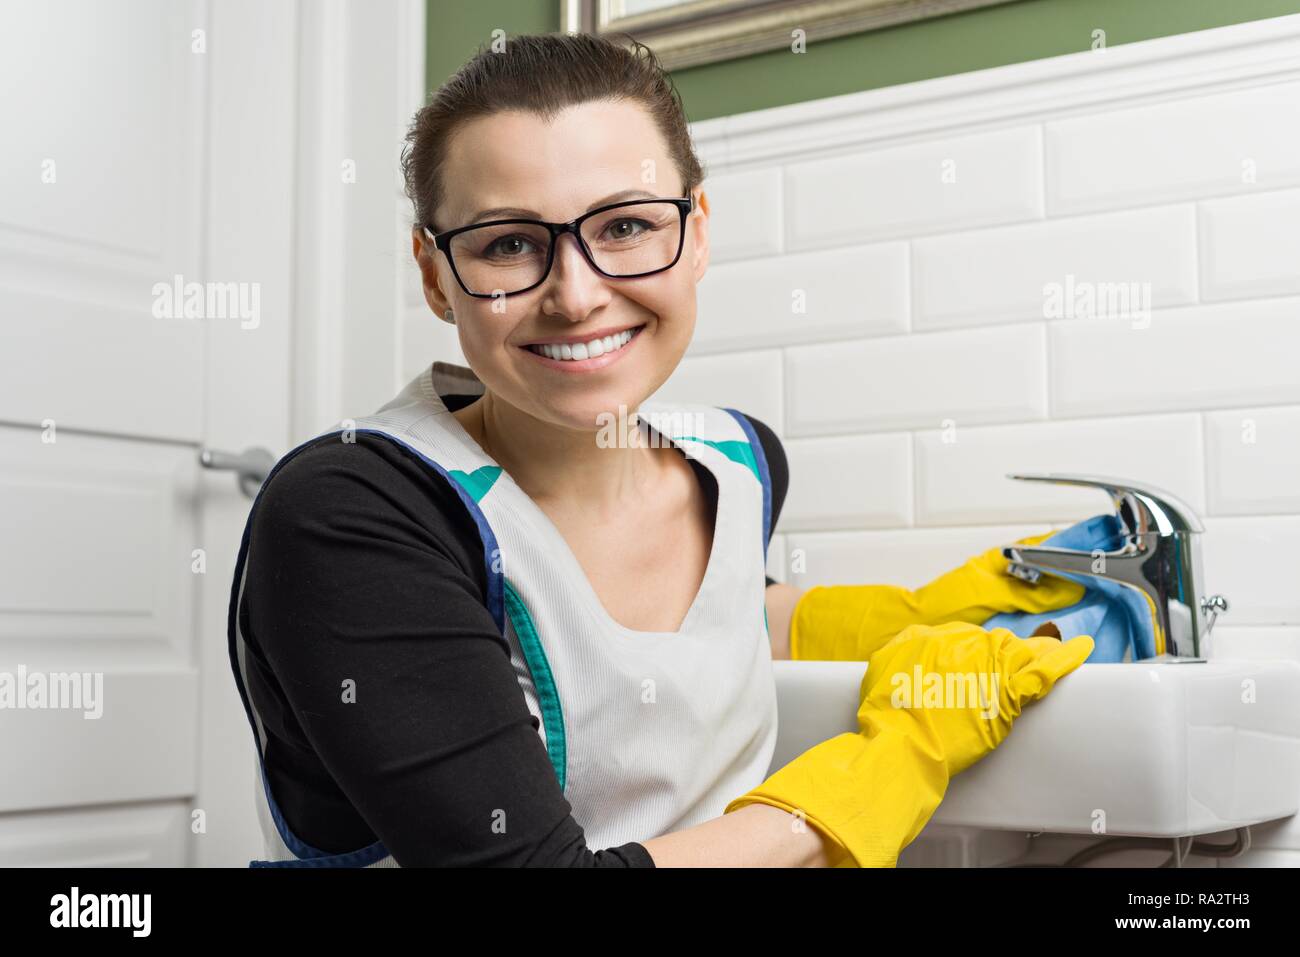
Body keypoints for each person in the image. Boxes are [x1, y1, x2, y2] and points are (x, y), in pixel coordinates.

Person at [226, 31, 1088, 869]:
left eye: (626, 226)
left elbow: (720, 616)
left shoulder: (739, 462)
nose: (576, 294)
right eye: (509, 243)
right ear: (433, 274)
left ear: (697, 228)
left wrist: (918, 615)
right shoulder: (351, 514)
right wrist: (885, 768)